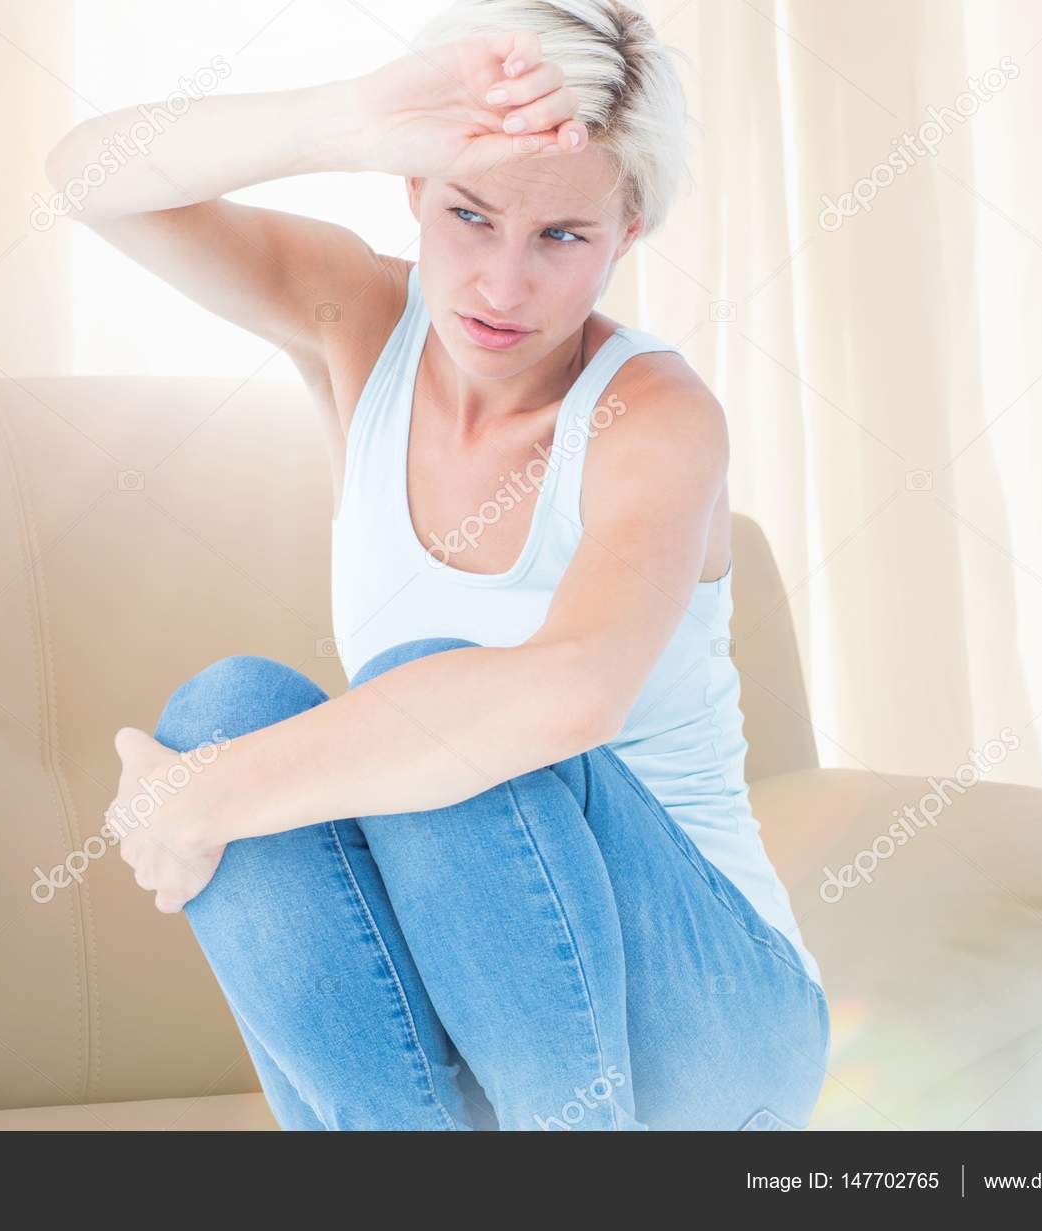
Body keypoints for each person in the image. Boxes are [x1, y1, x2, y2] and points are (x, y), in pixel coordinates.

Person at [46, 0, 828, 1130]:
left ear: (627, 234)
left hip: (712, 1019)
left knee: (436, 696)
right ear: (414, 189)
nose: (502, 288)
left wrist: (203, 799)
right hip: (487, 1013)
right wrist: (353, 118)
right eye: (469, 216)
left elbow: (567, 693)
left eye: (562, 238)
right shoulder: (358, 314)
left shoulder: (656, 416)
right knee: (226, 706)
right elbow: (89, 178)